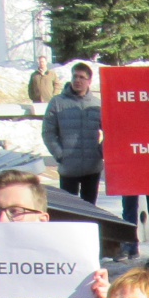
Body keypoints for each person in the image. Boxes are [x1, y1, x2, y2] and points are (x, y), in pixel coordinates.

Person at [43, 62, 104, 202]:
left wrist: (100, 152)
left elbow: (110, 132)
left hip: (92, 168)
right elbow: (48, 132)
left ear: (89, 81)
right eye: (75, 76)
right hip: (68, 168)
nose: (77, 80)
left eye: (82, 77)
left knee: (89, 210)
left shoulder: (97, 104)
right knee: (70, 210)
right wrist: (59, 154)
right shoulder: (57, 102)